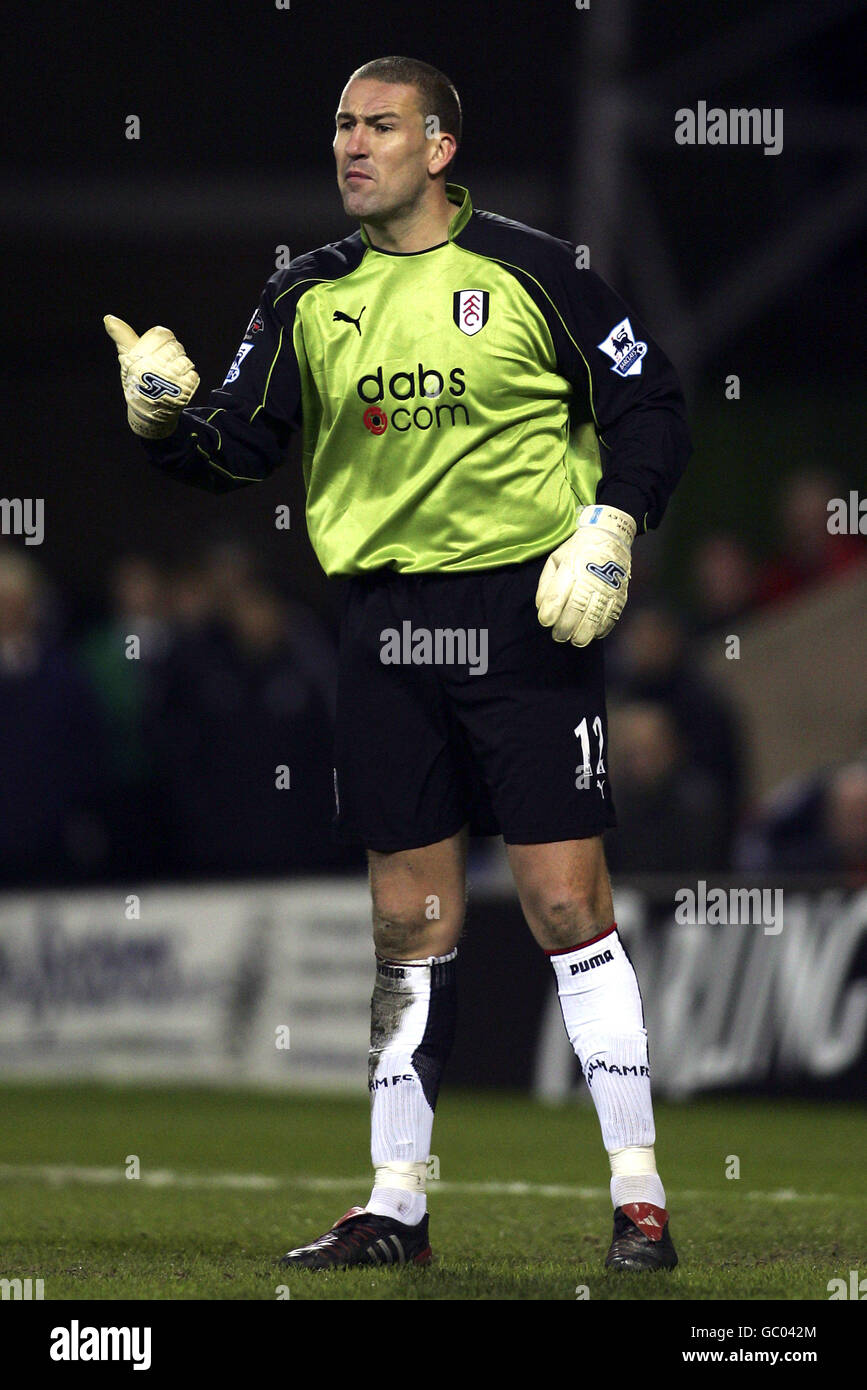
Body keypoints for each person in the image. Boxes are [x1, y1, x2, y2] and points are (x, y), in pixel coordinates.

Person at [103, 55, 690, 1272]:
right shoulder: (306, 294)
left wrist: (615, 523)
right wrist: (166, 428)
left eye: (379, 125)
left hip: (527, 615)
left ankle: (640, 1194)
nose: (351, 145)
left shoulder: (541, 270)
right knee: (405, 918)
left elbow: (654, 406)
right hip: (383, 626)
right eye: (339, 126)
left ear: (440, 147)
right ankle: (396, 1206)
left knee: (567, 902)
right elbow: (239, 443)